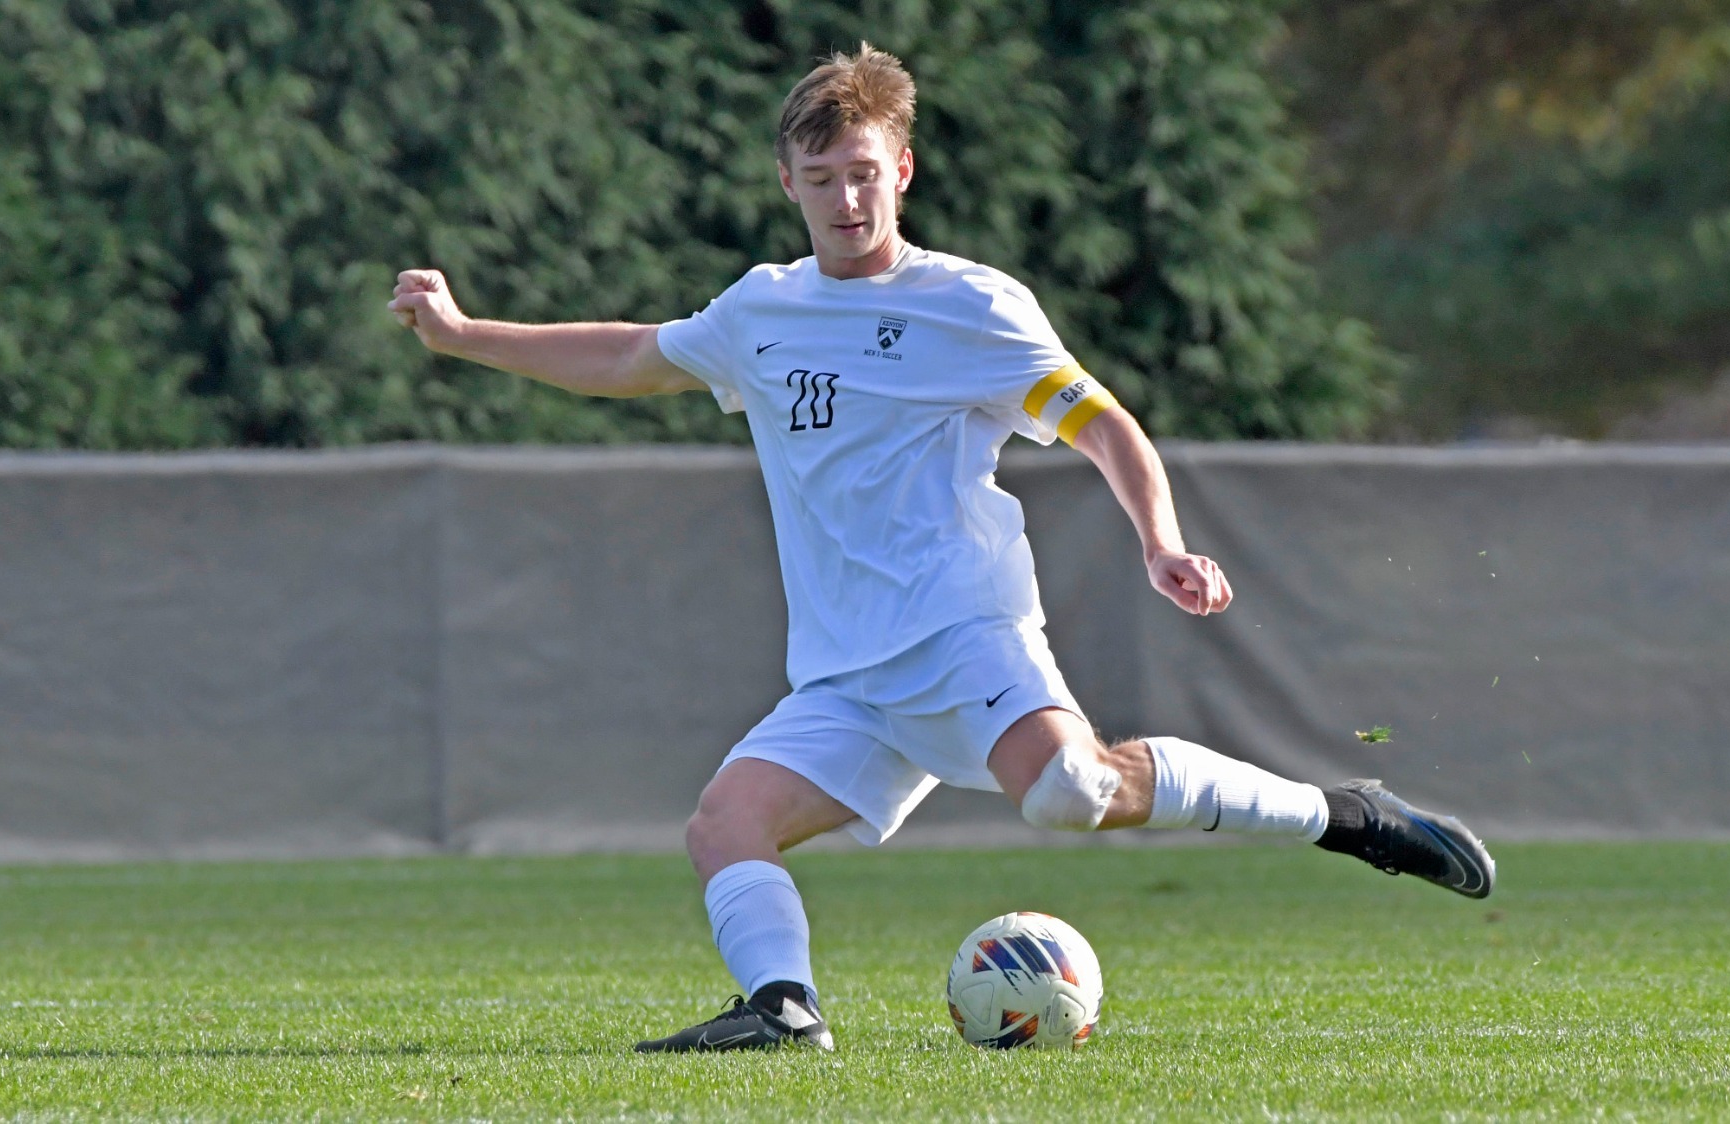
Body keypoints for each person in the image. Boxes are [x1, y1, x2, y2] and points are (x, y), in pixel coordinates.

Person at [390, 43, 1493, 1054]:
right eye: (819, 177)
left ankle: (1343, 814)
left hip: (964, 633)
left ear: (902, 170)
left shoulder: (969, 304)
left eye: (863, 172)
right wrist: (461, 334)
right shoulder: (760, 310)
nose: (844, 197)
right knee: (725, 821)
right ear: (787, 183)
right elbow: (632, 354)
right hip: (846, 673)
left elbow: (1101, 420)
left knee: (1068, 789)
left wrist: (1160, 538)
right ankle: (782, 1009)